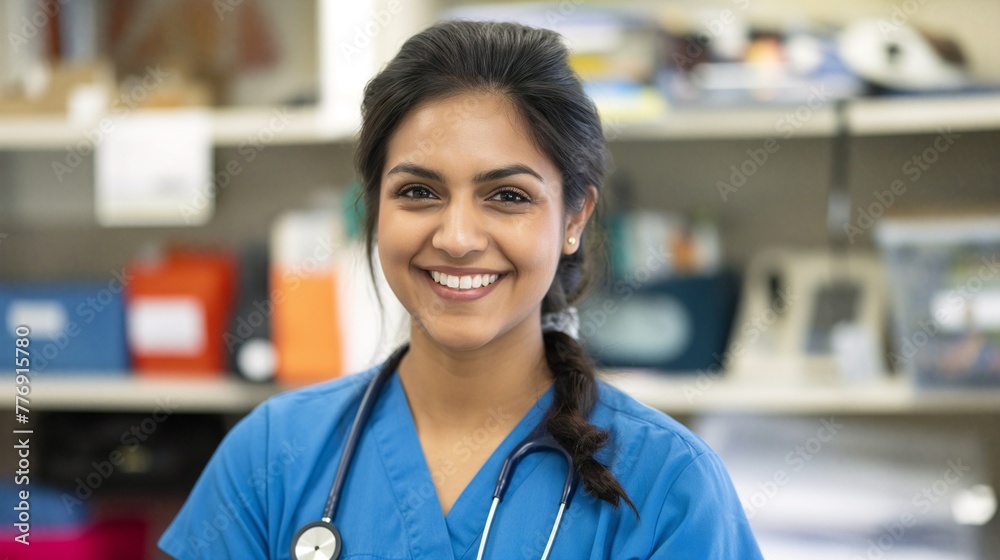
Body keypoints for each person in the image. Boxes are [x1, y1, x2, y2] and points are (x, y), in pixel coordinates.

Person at [158, 20, 764, 560]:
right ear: (373, 209)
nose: (456, 237)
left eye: (508, 196)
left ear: (575, 218)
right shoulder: (272, 455)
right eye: (419, 192)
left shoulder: (669, 485)